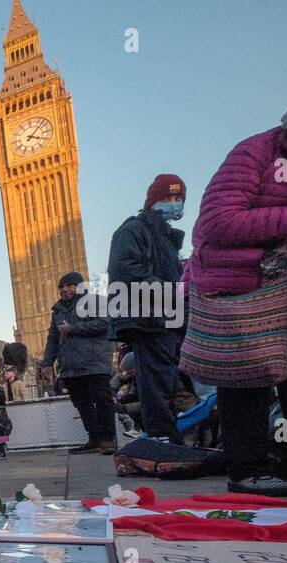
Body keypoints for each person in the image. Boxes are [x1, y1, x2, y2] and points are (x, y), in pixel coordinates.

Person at [190, 74, 287, 496]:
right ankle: (247, 470)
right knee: (246, 378)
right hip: (245, 287)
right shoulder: (256, 152)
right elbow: (217, 223)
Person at [108, 174, 189, 445]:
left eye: (178, 199)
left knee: (167, 380)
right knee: (155, 382)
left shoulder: (164, 235)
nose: (174, 203)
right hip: (149, 318)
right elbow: (126, 270)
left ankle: (169, 436)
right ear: (152, 200)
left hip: (168, 318)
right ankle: (162, 438)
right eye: (167, 198)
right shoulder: (134, 229)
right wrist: (171, 291)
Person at [43, 271, 117, 454]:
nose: (64, 290)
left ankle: (107, 439)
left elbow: (105, 324)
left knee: (102, 400)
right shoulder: (58, 310)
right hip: (71, 366)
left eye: (69, 285)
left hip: (94, 362)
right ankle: (94, 439)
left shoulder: (94, 301)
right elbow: (53, 338)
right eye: (61, 287)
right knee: (82, 403)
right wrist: (47, 363)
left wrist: (73, 329)